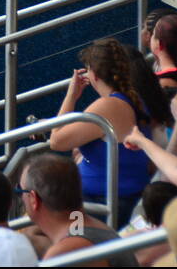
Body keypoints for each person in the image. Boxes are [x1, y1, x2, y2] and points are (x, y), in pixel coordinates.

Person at [48, 38, 154, 227]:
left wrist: (71, 96)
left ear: (94, 74)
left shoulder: (108, 106)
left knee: (36, 222)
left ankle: (71, 243)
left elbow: (56, 140)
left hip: (100, 205)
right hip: (115, 197)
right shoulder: (134, 100)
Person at [19, 152, 140, 265]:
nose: (21, 197)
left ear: (33, 199)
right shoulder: (99, 229)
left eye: (21, 191)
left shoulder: (66, 253)